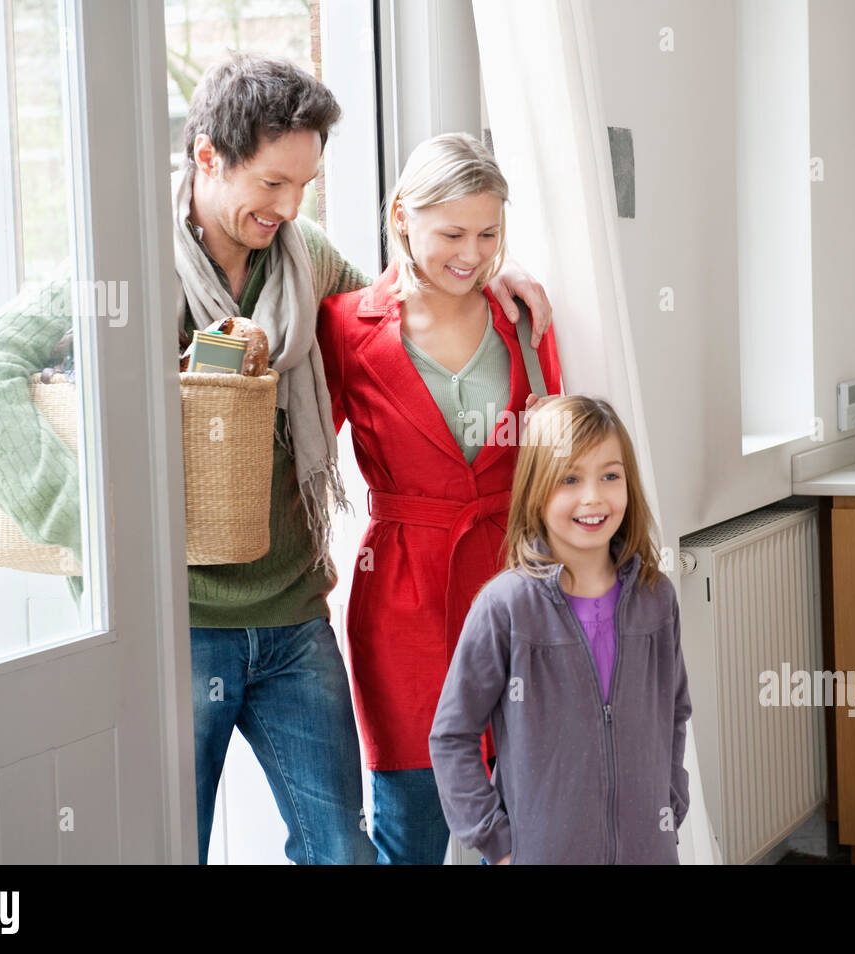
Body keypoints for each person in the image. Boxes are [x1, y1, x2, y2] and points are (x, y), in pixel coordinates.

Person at [0, 52, 552, 865]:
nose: (289, 207)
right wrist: (87, 522)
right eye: (270, 184)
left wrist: (497, 281)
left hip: (295, 615)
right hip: (178, 625)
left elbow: (399, 322)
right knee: (172, 845)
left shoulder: (308, 256)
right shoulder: (124, 265)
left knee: (342, 849)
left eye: (304, 185)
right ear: (206, 157)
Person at [317, 132, 562, 865]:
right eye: (452, 232)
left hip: (518, 583)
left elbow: (559, 455)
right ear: (402, 216)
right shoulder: (343, 327)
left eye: (489, 233)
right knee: (413, 819)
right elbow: (297, 454)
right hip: (401, 596)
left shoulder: (523, 318)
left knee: (531, 813)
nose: (472, 252)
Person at [429, 395, 691, 864]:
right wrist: (500, 844)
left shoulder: (657, 600)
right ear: (536, 489)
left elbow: (674, 712)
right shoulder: (503, 609)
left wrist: (671, 804)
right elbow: (451, 736)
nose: (593, 497)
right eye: (570, 478)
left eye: (610, 476)